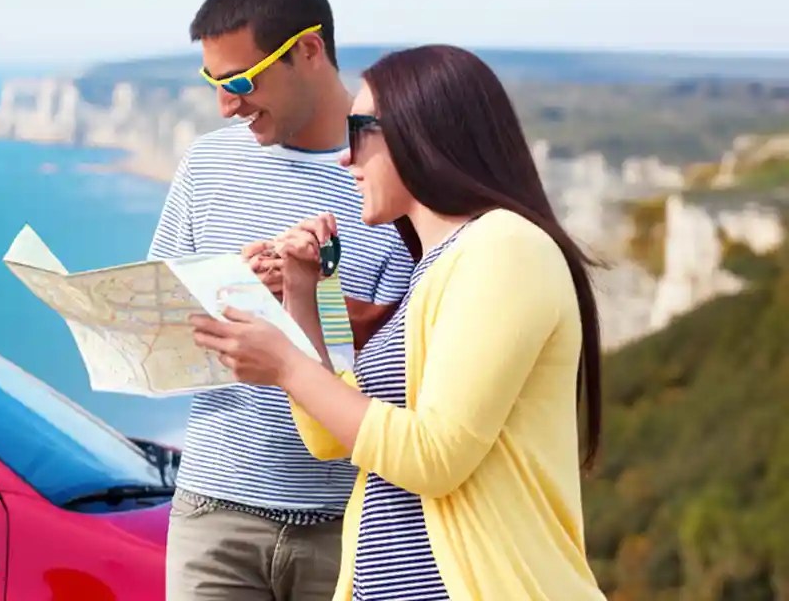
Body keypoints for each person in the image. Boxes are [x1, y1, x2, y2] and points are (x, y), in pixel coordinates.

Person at [189, 44, 608, 601]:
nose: (346, 158)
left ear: (423, 131)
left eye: (359, 129)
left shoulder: (505, 248)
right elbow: (327, 437)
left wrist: (286, 366)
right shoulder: (433, 267)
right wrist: (304, 293)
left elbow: (433, 458)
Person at [150, 0, 415, 600]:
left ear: (309, 51)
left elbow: (415, 365)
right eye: (212, 81)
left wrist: (308, 295)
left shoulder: (392, 174)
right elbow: (156, 327)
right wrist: (226, 289)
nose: (225, 104)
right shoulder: (207, 163)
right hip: (214, 516)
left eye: (240, 79)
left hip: (352, 525)